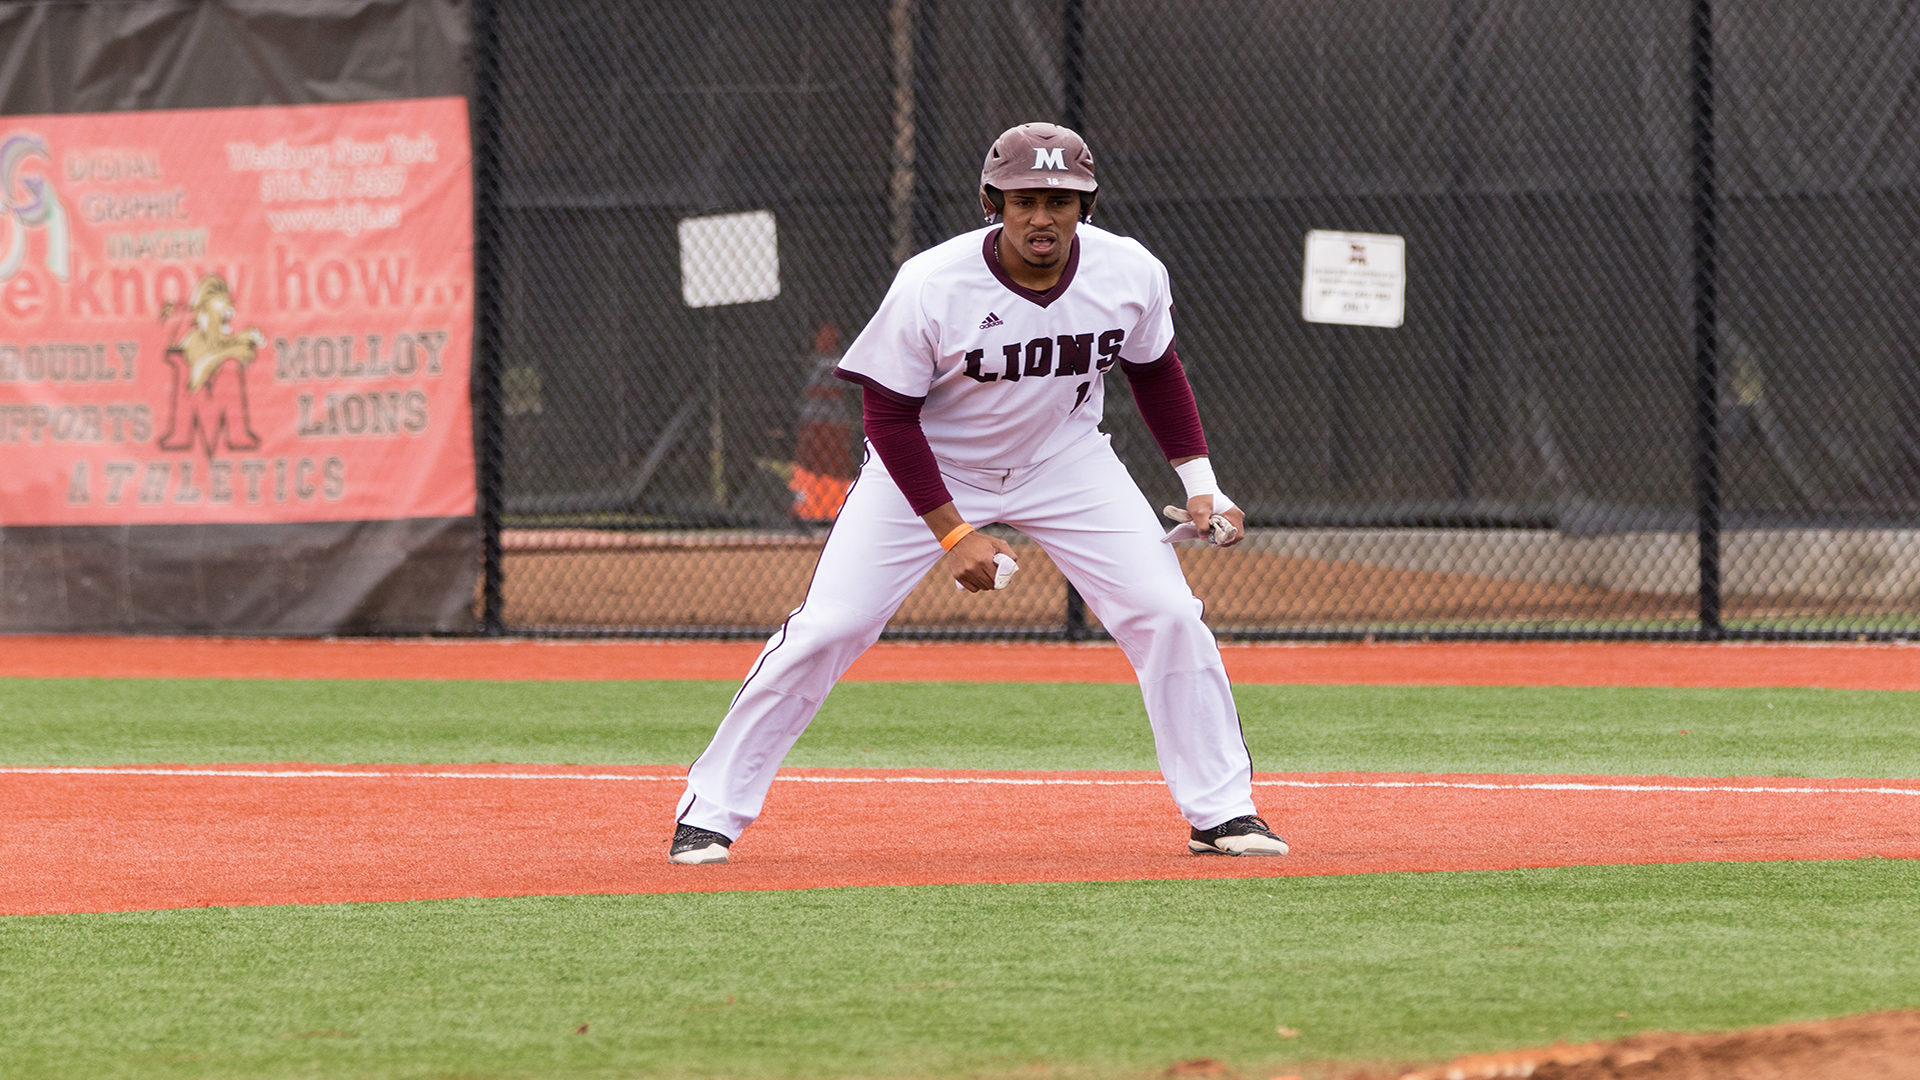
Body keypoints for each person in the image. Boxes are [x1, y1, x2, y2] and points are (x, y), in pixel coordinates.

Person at [669, 122, 1287, 865]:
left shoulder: (1131, 272)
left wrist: (1201, 486)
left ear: (1086, 206)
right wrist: (954, 533)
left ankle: (1222, 812)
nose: (1041, 216)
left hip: (1065, 461)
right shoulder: (934, 282)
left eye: (1060, 200)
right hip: (930, 464)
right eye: (1024, 200)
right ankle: (710, 810)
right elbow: (887, 418)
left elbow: (1156, 372)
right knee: (829, 627)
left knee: (1169, 615)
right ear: (992, 203)